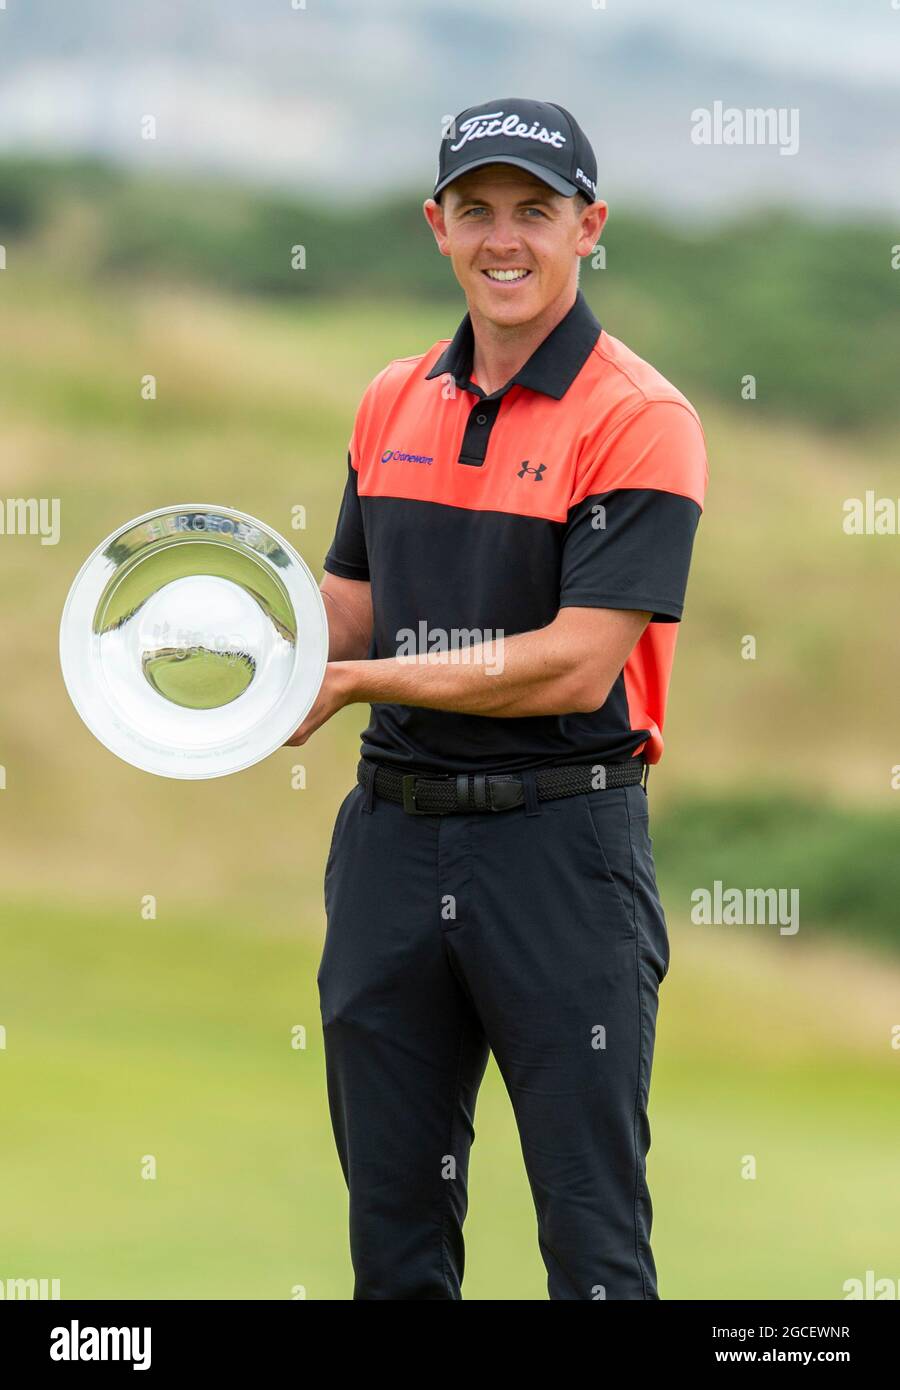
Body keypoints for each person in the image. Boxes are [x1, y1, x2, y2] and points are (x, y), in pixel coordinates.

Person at [285, 97, 709, 1300]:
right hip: (391, 844)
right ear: (437, 226)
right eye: (478, 210)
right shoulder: (391, 398)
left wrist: (355, 683)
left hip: (560, 845)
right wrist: (213, 642)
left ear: (591, 227)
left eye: (537, 209)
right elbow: (349, 608)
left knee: (590, 1238)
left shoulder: (639, 417)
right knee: (395, 1232)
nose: (504, 238)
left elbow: (577, 661)